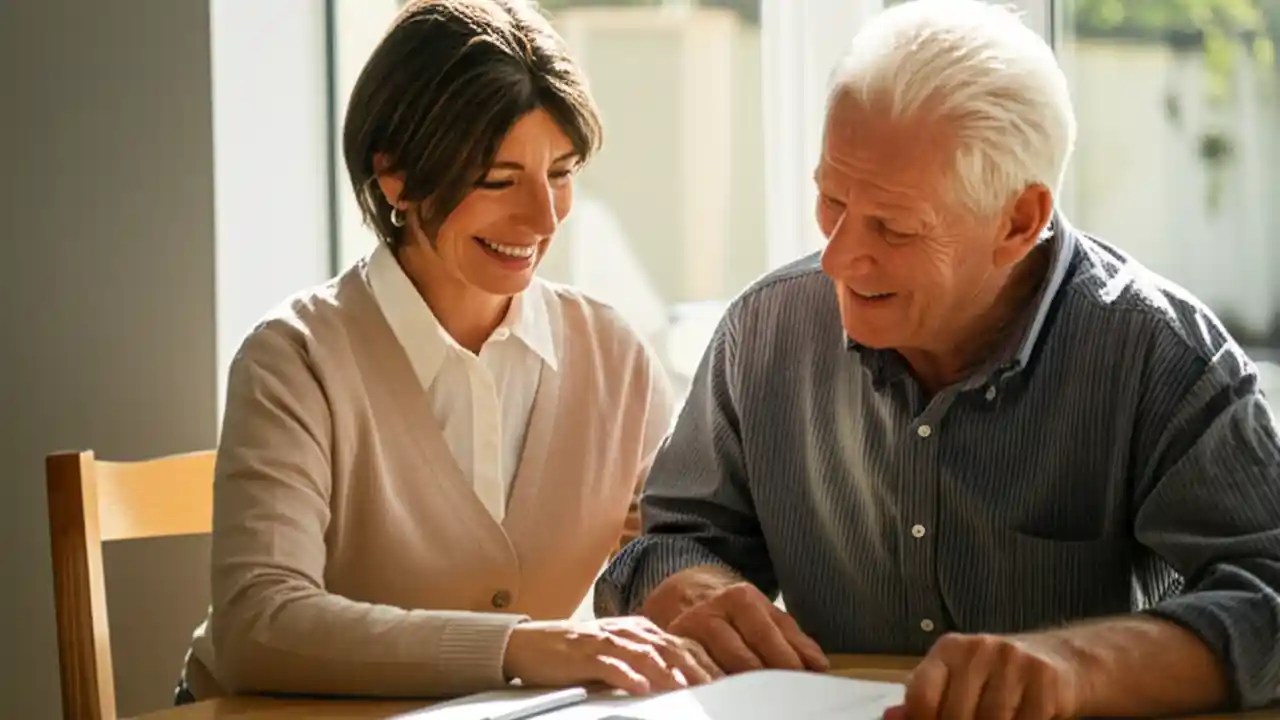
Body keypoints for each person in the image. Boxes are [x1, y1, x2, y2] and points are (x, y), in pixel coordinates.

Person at [596, 1, 1280, 718]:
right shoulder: (765, 330)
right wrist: (685, 581)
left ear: (1019, 221)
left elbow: (1269, 593)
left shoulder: (1162, 358)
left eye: (893, 226)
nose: (836, 257)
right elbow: (667, 543)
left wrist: (1075, 666)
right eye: (831, 200)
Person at [178, 0, 719, 702]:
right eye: (498, 179)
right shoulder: (295, 359)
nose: (543, 217)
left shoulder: (611, 353)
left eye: (560, 173)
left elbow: (663, 549)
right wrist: (522, 645)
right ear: (396, 176)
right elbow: (259, 623)